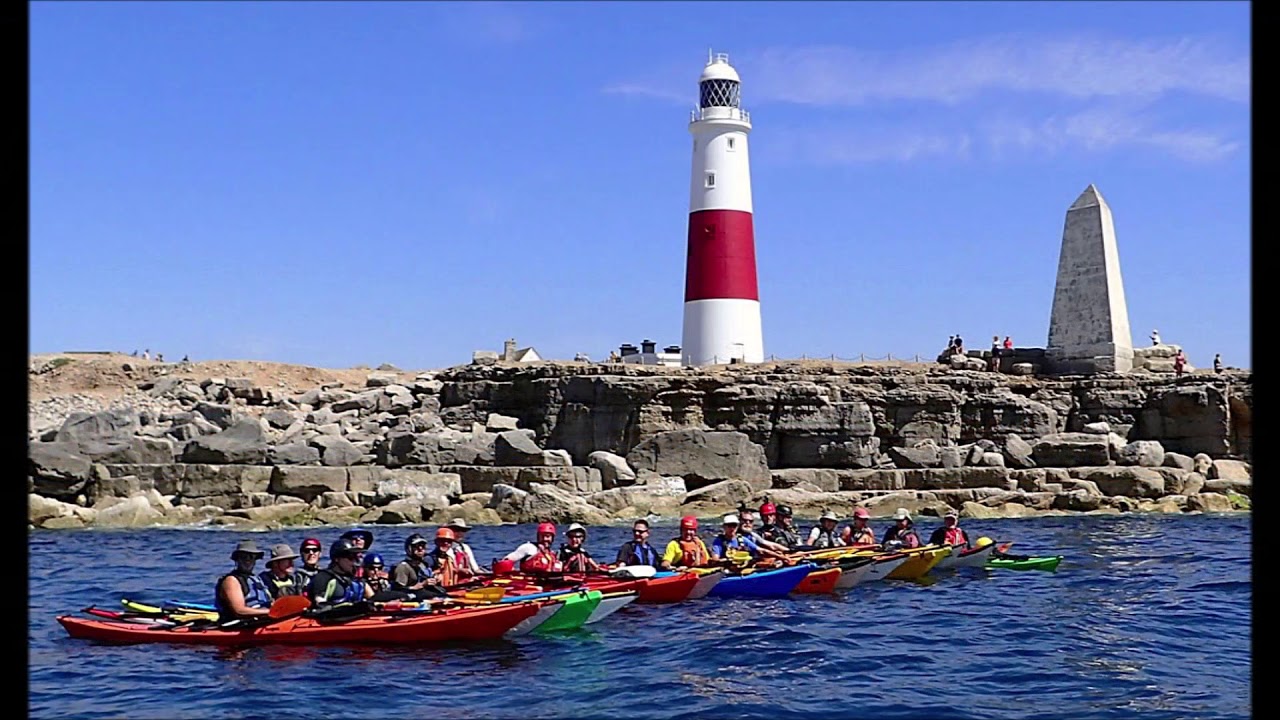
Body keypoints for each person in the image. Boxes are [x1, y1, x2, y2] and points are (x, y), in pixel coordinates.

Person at [306, 538, 374, 609]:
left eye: (356, 558)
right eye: (350, 558)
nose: (354, 562)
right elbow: (319, 604)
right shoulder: (322, 578)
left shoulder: (357, 581)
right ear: (337, 559)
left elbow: (373, 598)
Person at [215, 540, 273, 622]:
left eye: (251, 557)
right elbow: (239, 611)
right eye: (244, 557)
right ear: (237, 559)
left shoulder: (256, 579)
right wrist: (270, 612)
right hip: (241, 623)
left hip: (263, 619)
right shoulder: (231, 580)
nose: (248, 560)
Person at [709, 514, 789, 564]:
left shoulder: (742, 539)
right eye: (729, 526)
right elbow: (715, 559)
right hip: (728, 569)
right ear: (724, 527)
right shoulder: (719, 541)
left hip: (744, 566)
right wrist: (730, 560)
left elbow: (761, 550)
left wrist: (781, 557)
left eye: (734, 526)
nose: (732, 528)